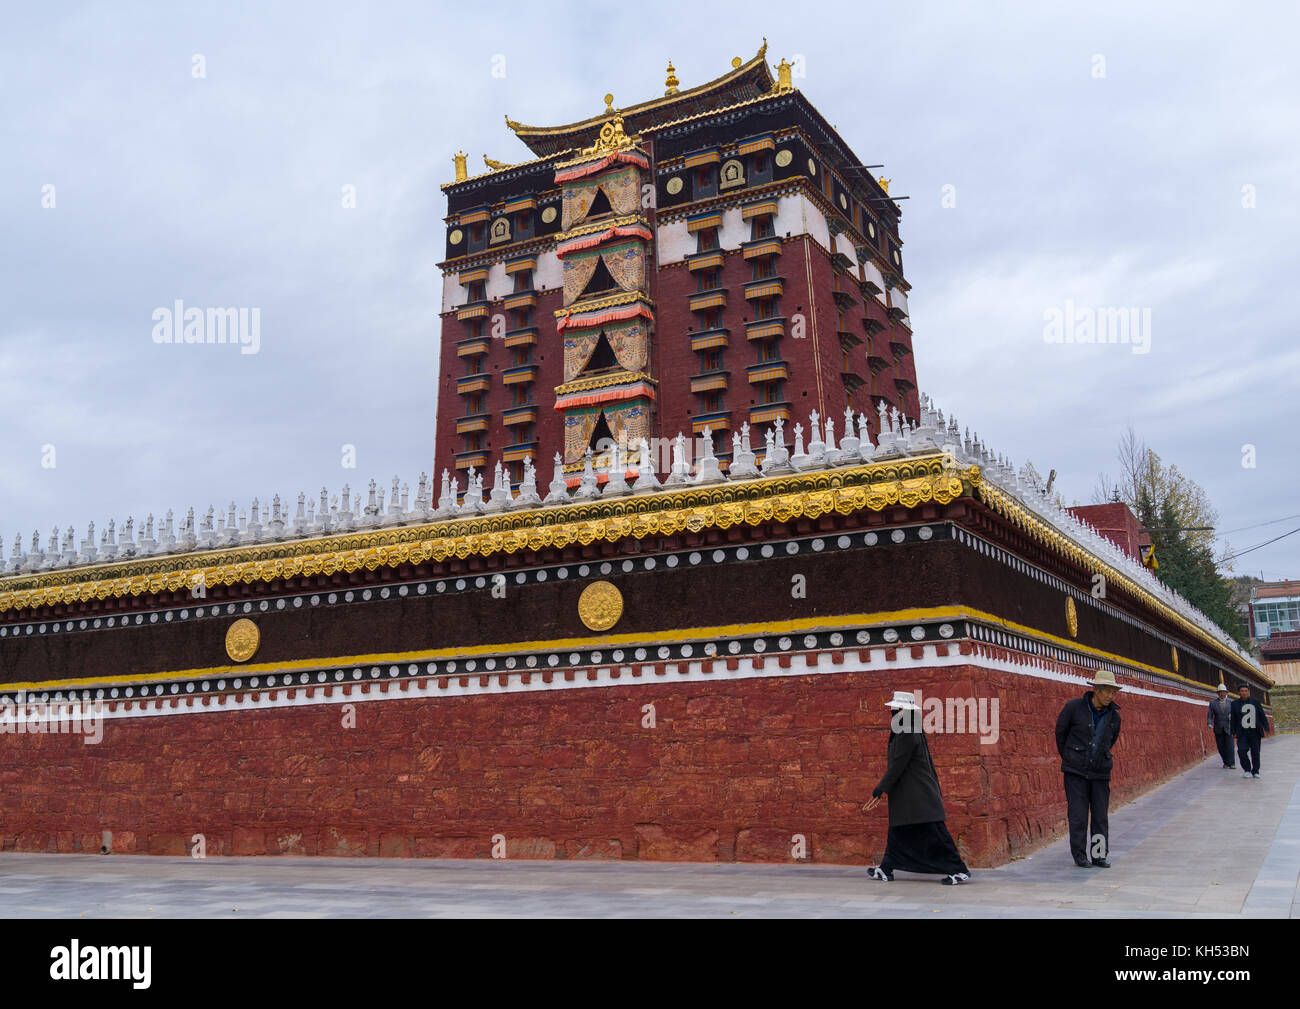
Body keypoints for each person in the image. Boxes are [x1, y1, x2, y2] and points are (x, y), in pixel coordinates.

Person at [863, 690, 971, 885]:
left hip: (917, 793)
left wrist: (881, 787)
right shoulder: (908, 726)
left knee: (934, 831)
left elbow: (898, 763)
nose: (893, 711)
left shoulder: (907, 729)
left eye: (895, 708)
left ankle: (958, 869)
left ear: (903, 709)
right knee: (899, 831)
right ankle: (887, 868)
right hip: (910, 793)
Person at [1055, 669, 1122, 868]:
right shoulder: (1074, 708)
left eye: (1113, 692)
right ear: (1096, 690)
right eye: (1107, 691)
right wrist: (1071, 756)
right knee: (1078, 815)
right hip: (1075, 772)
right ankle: (1080, 855)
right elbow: (1061, 734)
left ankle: (1099, 854)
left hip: (1101, 773)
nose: (1111, 696)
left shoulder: (1114, 718)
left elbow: (1111, 741)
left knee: (1100, 816)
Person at [1230, 684, 1270, 778]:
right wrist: (1233, 731)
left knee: (1255, 752)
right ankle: (1247, 769)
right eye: (1242, 691)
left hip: (1254, 732)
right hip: (1242, 732)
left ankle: (1256, 771)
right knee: (1242, 751)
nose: (1244, 692)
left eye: (1246, 691)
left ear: (1249, 692)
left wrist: (1266, 727)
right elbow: (1233, 719)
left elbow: (1261, 715)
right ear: (1239, 692)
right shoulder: (1235, 704)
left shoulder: (1255, 702)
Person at [1208, 683, 1235, 769]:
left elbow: (1235, 715)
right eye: (1220, 692)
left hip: (1228, 727)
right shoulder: (1213, 703)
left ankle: (1232, 763)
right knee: (1220, 747)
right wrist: (1209, 723)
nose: (1222, 694)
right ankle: (1225, 762)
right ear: (1218, 693)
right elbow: (1210, 715)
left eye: (1223, 692)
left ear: (1226, 693)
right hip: (1218, 728)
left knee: (1230, 746)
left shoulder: (1231, 703)